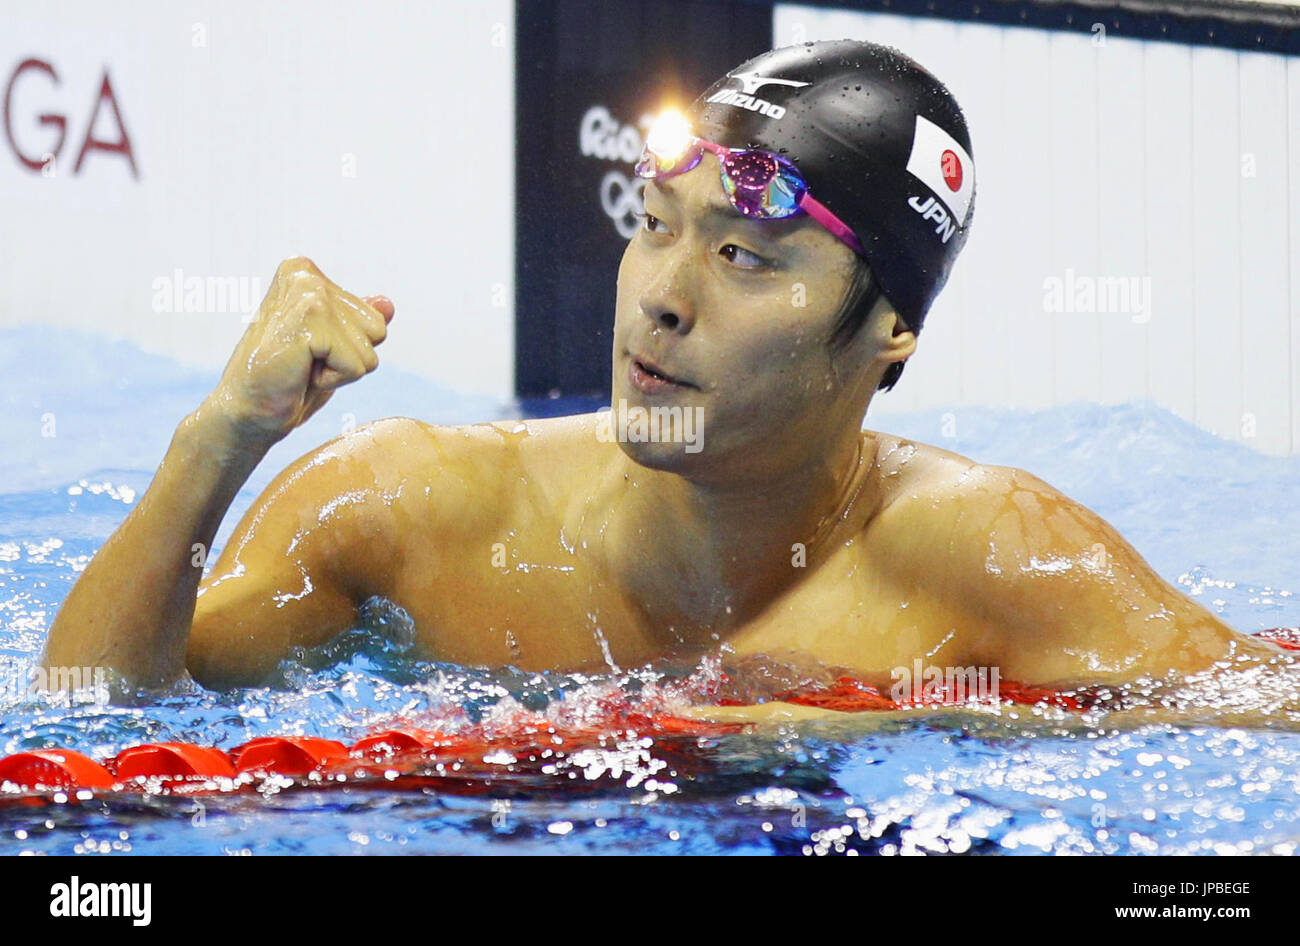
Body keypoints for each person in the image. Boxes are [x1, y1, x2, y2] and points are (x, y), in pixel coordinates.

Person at [42, 39, 1289, 716]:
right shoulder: (409, 509)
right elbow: (94, 711)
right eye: (655, 222)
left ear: (889, 331)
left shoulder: (986, 556)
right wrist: (219, 441)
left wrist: (967, 712)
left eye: (744, 254)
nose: (662, 292)